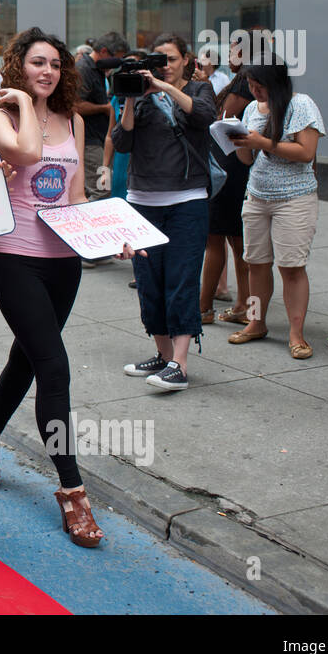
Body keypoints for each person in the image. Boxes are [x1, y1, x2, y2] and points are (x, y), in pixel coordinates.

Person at [0, 27, 109, 548]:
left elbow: (73, 196)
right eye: (37, 63)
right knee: (54, 367)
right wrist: (26, 104)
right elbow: (28, 156)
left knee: (27, 361)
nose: (47, 72)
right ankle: (73, 492)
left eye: (54, 64)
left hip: (63, 263)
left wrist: (108, 234)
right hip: (17, 260)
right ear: (18, 68)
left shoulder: (73, 119)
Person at [112, 32, 217, 391]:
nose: (164, 66)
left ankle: (180, 363)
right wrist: (130, 100)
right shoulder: (140, 97)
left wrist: (164, 88)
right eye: (157, 60)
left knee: (182, 281)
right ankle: (162, 353)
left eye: (171, 59)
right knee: (149, 284)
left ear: (186, 60)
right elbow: (122, 141)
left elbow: (202, 116)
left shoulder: (200, 90)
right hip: (143, 201)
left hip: (187, 201)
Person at [226, 59, 325, 359]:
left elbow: (306, 153)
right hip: (257, 196)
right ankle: (256, 321)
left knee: (291, 267)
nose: (254, 90)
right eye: (250, 85)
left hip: (294, 198)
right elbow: (246, 160)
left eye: (259, 85)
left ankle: (296, 333)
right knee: (255, 263)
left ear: (276, 82)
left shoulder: (301, 104)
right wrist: (240, 142)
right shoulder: (252, 109)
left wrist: (263, 142)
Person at [199, 68, 254, 325]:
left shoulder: (245, 82)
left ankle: (208, 306)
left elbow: (222, 118)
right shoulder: (240, 81)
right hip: (230, 165)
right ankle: (234, 305)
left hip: (230, 166)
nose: (230, 53)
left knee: (227, 239)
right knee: (230, 240)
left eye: (235, 47)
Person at [76, 31, 128, 204]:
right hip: (90, 142)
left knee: (103, 187)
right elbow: (75, 106)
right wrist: (105, 108)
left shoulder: (98, 70)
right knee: (100, 190)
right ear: (104, 51)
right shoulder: (83, 69)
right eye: (116, 59)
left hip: (99, 139)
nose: (116, 64)